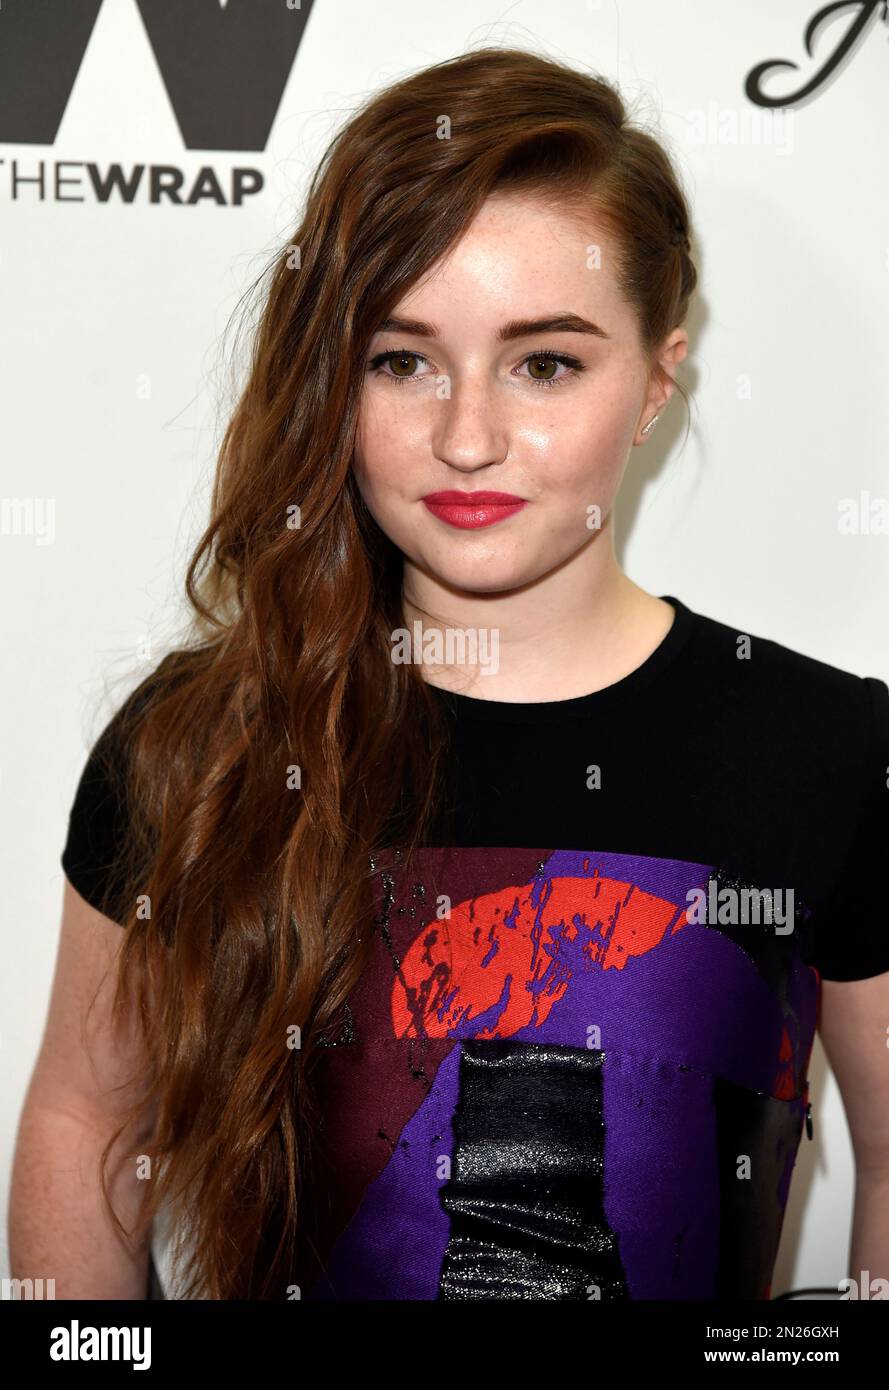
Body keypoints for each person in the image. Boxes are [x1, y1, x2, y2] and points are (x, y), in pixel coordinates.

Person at [10, 46, 889, 1302]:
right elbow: (87, 1127)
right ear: (335, 379)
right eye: (402, 359)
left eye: (546, 362)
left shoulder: (834, 754)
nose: (467, 436)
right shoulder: (203, 748)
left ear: (655, 380)